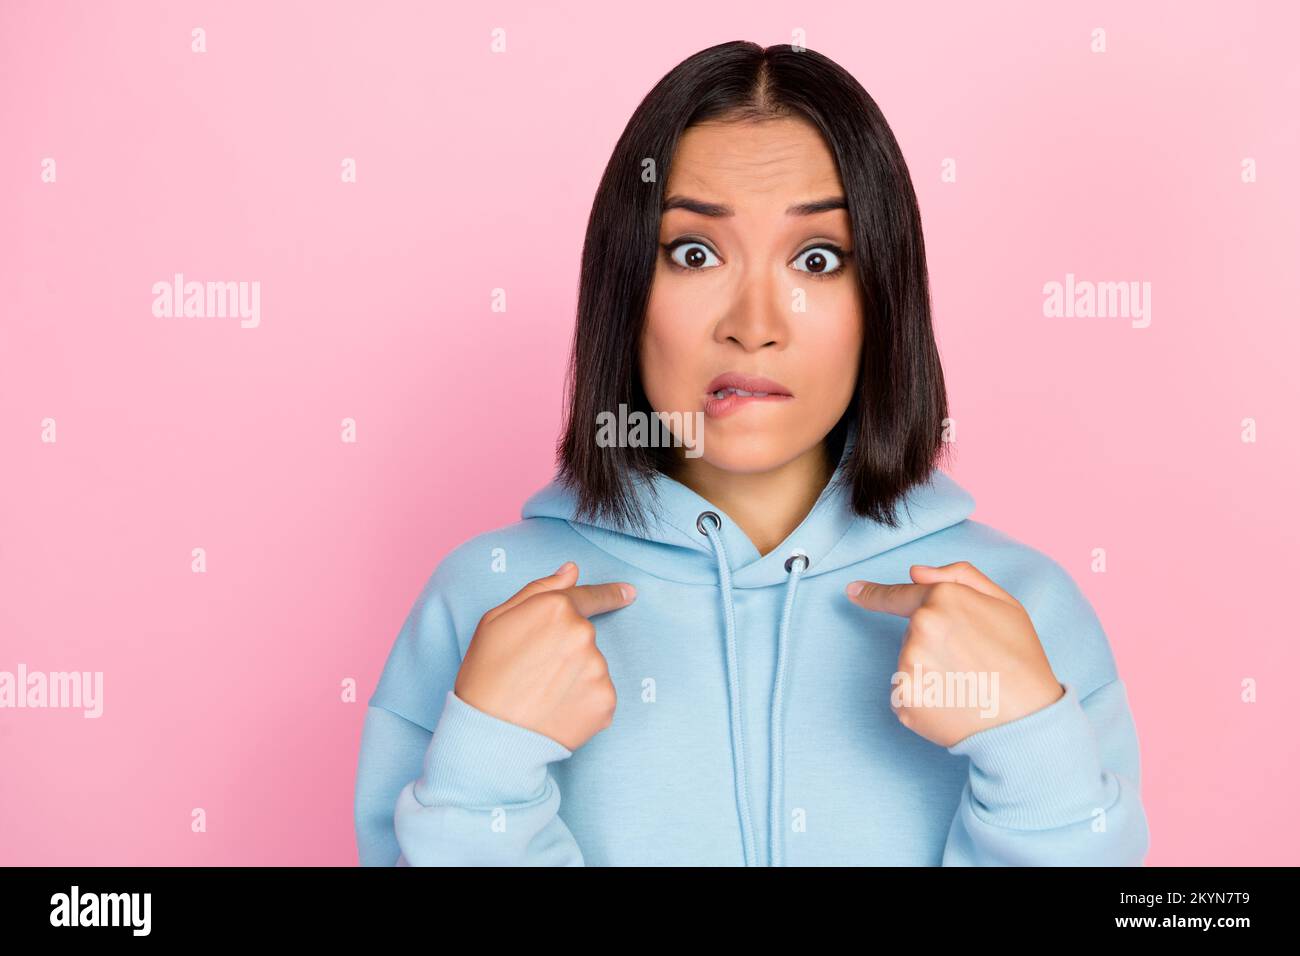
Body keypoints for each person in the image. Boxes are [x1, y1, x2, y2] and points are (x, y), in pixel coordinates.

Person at [353, 40, 1150, 866]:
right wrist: (484, 777)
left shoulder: (1027, 609)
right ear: (626, 287)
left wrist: (1031, 752)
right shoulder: (479, 600)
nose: (755, 321)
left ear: (882, 297)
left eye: (818, 258)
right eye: (694, 253)